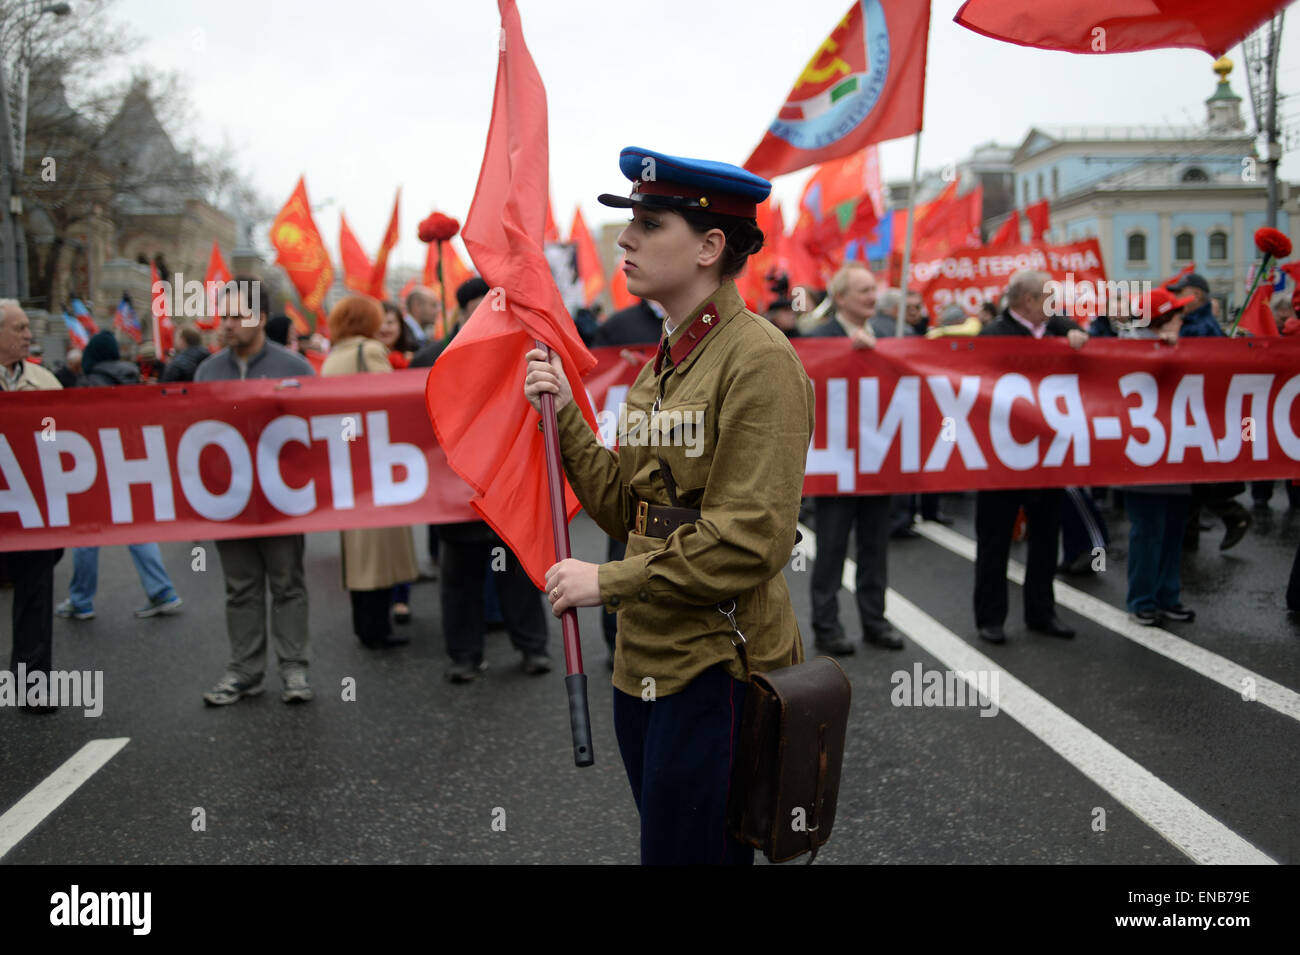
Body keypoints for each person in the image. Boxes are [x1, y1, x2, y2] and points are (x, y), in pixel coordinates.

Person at [524, 147, 813, 865]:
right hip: (642, 654)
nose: (625, 239)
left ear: (711, 246)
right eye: (631, 223)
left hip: (715, 665)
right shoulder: (663, 359)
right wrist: (562, 411)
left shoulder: (759, 358)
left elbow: (749, 539)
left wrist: (607, 582)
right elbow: (630, 509)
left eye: (650, 224)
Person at [195, 278, 316, 704]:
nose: (225, 325)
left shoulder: (295, 369)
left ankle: (294, 669)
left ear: (260, 318)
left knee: (288, 584)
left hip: (281, 501)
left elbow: (315, 433)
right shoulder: (207, 371)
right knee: (241, 587)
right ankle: (244, 671)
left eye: (235, 317)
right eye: (222, 316)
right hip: (231, 502)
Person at [974, 269, 1088, 644]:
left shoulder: (1059, 331)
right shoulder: (992, 336)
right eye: (1049, 298)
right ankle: (990, 618)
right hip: (1002, 457)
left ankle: (1042, 611)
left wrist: (1074, 332)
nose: (1056, 305)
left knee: (1045, 538)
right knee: (995, 540)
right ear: (1027, 300)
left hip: (1046, 457)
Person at [805, 262, 905, 653]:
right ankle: (827, 628)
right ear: (841, 297)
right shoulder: (818, 338)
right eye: (863, 290)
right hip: (837, 462)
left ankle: (874, 622)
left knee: (874, 546)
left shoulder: (889, 334)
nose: (872, 296)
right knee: (831, 547)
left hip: (876, 460)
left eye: (873, 289)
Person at [53, 331, 185, 621]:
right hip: (132, 463)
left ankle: (81, 599)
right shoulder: (133, 378)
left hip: (97, 466)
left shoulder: (89, 383)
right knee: (136, 528)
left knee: (87, 531)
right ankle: (162, 590)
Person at [320, 296, 419, 649]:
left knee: (358, 549)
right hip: (375, 460)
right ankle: (377, 628)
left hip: (348, 462)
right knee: (379, 551)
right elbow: (391, 399)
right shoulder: (369, 351)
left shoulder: (333, 357)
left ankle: (364, 624)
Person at [1117, 288, 1197, 625]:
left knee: (1175, 528)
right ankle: (1142, 599)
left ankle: (1168, 595)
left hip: (1178, 453)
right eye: (1177, 314)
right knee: (1148, 530)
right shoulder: (1127, 349)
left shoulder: (1184, 346)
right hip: (1143, 456)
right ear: (1163, 319)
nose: (1183, 319)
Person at [0, 299, 65, 713]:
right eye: (19, 328)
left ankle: (32, 687)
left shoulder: (46, 382)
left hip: (32, 514)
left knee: (35, 596)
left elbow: (65, 447)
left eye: (28, 327)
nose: (28, 335)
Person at [377, 300, 418, 369]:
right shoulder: (365, 354)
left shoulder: (415, 352)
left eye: (390, 323)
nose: (383, 328)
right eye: (379, 323)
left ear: (401, 326)